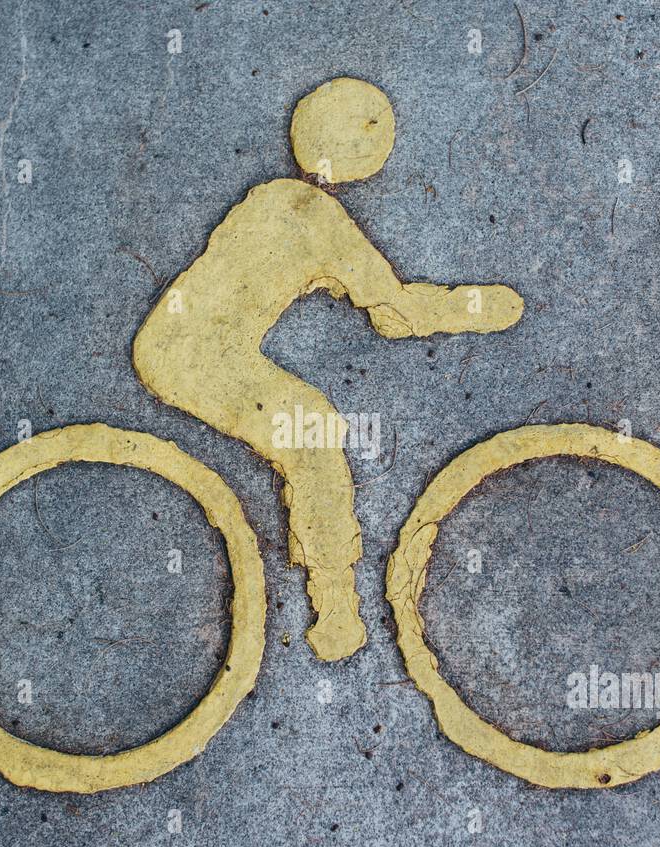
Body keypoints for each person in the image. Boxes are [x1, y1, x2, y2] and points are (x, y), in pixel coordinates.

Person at [133, 77, 523, 661]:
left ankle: (333, 593)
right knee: (312, 434)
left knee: (308, 425)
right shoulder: (324, 224)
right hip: (196, 358)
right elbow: (396, 313)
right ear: (367, 161)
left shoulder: (269, 197)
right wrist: (479, 306)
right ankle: (335, 605)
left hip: (167, 342)